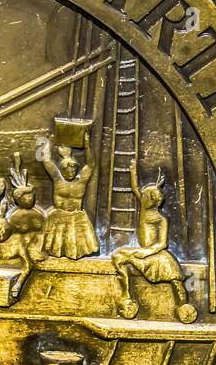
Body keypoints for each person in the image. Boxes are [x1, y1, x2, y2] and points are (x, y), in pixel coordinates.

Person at [111, 169, 196, 322]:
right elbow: (135, 188)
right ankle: (126, 298)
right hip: (143, 251)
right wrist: (133, 171)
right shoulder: (144, 208)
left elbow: (162, 244)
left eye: (145, 196)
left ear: (151, 200)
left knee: (174, 277)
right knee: (118, 257)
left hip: (155, 254)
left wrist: (146, 253)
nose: (141, 196)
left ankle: (183, 305)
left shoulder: (161, 219)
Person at [35, 136, 97, 259]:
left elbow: (91, 165)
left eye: (73, 170)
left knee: (77, 247)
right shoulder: (58, 180)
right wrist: (46, 143)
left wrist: (87, 145)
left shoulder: (81, 182)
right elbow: (46, 161)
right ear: (62, 171)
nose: (71, 172)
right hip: (59, 217)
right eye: (67, 170)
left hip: (77, 218)